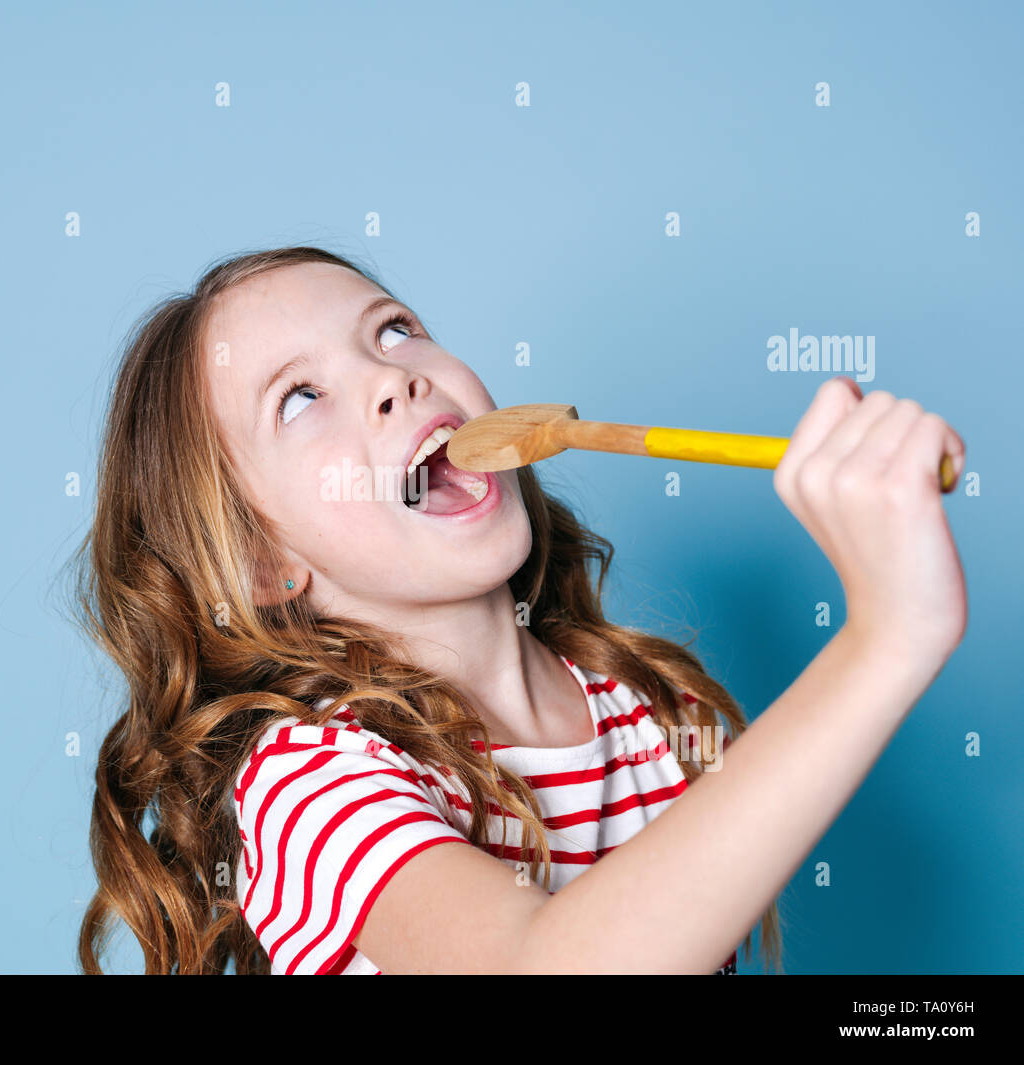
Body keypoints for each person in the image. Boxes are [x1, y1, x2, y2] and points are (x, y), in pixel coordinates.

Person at [73, 245, 967, 975]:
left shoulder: (655, 711)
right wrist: (883, 640)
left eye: (394, 330)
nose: (395, 380)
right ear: (266, 562)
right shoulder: (310, 781)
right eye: (300, 397)